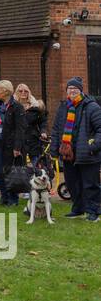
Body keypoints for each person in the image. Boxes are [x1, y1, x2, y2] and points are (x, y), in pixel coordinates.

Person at [50, 76, 101, 221]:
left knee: (90, 184)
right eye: (70, 88)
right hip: (68, 153)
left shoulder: (92, 107)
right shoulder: (63, 107)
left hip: (88, 154)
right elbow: (56, 129)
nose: (72, 91)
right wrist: (54, 150)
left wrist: (93, 146)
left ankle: (93, 212)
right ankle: (78, 208)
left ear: (81, 91)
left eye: (75, 89)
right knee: (73, 183)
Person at [0, 79, 26, 207]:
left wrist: (17, 147)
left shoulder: (17, 107)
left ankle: (13, 199)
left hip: (11, 145)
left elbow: (20, 128)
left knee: (11, 172)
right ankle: (4, 196)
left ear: (6, 92)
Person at [15, 83, 47, 166]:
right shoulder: (13, 106)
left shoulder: (36, 106)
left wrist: (43, 131)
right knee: (20, 165)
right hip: (19, 139)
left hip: (33, 138)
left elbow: (43, 121)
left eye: (26, 91)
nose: (23, 93)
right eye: (20, 91)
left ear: (29, 92)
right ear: (16, 92)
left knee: (37, 164)